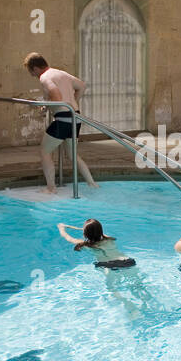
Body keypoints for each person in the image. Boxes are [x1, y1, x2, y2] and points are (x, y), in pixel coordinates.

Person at [23, 52, 97, 194]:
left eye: (31, 72)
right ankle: (92, 184)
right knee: (73, 155)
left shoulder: (45, 77)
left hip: (63, 119)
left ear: (35, 68)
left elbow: (57, 96)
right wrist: (73, 102)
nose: (32, 75)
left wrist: (44, 104)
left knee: (45, 152)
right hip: (75, 117)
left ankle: (51, 188)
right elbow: (81, 86)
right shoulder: (61, 73)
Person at [57, 219, 136, 269]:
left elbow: (67, 237)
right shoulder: (108, 239)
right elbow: (99, 233)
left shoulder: (84, 244)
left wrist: (61, 228)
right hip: (127, 261)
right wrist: (89, 229)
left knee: (112, 288)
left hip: (109, 264)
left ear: (85, 234)